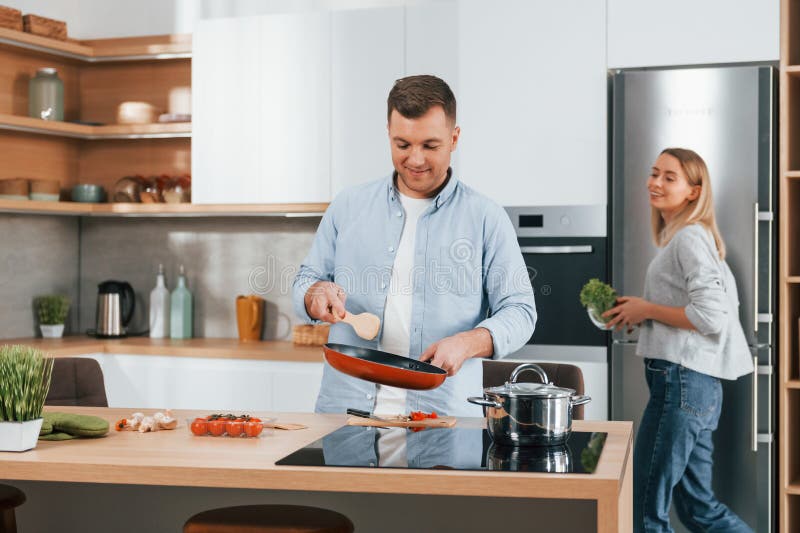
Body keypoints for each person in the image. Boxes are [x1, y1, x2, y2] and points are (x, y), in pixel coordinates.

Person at [292, 74, 536, 418]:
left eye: (430, 146)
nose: (416, 159)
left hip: (444, 421)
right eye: (402, 145)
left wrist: (469, 342)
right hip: (345, 416)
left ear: (454, 138)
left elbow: (521, 312)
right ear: (388, 135)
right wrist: (314, 294)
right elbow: (306, 280)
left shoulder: (485, 217)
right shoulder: (348, 206)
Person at [603, 148, 754, 532]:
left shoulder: (689, 238)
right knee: (699, 510)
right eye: (654, 173)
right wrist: (641, 313)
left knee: (643, 508)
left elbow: (709, 317)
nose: (655, 183)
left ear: (693, 191)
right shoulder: (688, 238)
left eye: (669, 177)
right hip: (696, 385)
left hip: (682, 383)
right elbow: (696, 312)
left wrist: (648, 310)